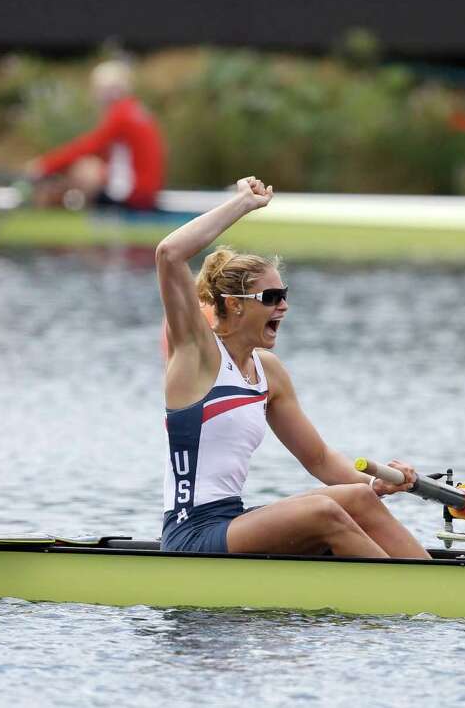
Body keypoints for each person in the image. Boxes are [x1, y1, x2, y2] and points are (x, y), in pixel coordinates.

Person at [155, 177, 429, 558]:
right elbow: (169, 253)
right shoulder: (196, 356)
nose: (283, 306)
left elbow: (319, 459)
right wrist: (243, 205)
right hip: (193, 533)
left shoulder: (267, 371)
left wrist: (376, 482)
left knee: (358, 499)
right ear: (235, 304)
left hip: (233, 521)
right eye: (271, 298)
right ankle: (405, 603)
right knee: (323, 511)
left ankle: (428, 582)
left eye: (284, 296)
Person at [28, 60, 165, 212]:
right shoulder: (136, 110)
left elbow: (88, 146)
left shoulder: (121, 114)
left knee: (85, 169)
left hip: (131, 195)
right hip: (146, 193)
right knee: (91, 167)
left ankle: (59, 214)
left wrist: (45, 165)